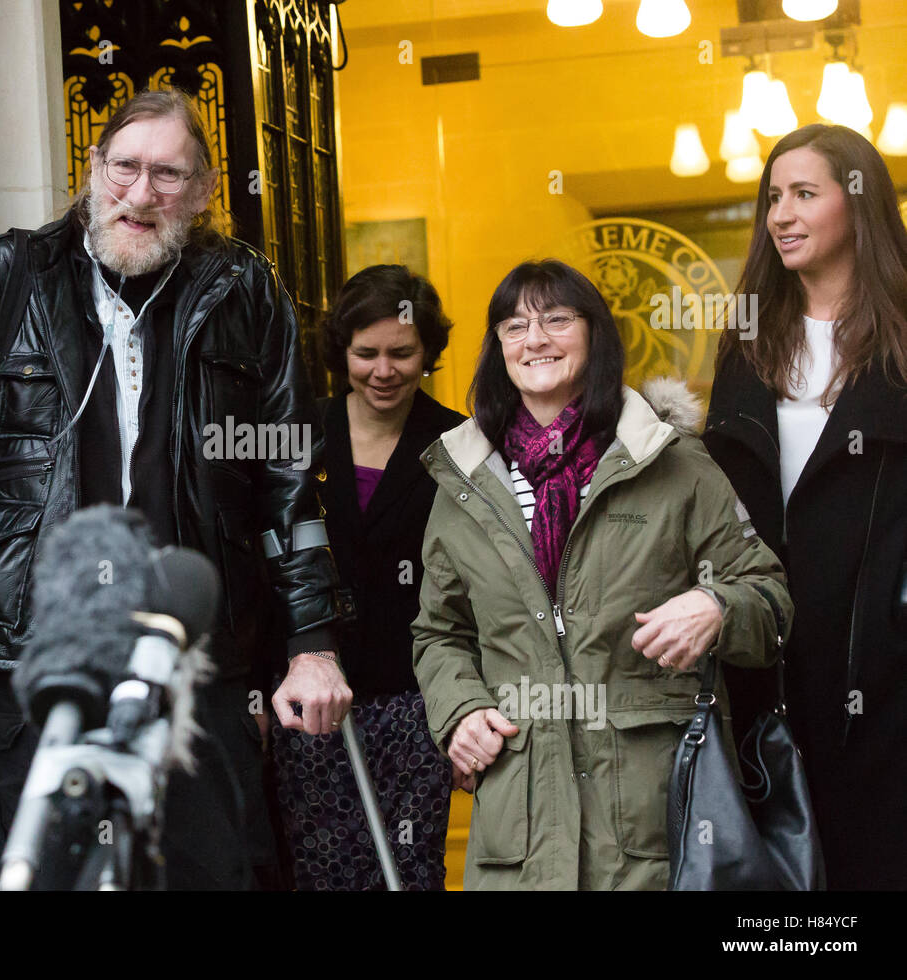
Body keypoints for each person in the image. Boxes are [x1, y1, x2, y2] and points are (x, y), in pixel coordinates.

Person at [0, 87, 349, 889]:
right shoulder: (6, 275)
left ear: (206, 189)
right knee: (60, 872)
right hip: (34, 648)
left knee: (209, 870)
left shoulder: (244, 290)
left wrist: (311, 643)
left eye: (168, 175)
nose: (142, 194)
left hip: (198, 645)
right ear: (93, 168)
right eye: (125, 168)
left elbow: (288, 476)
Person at [411, 259, 792, 890]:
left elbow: (770, 599)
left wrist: (717, 608)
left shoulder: (673, 464)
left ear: (595, 336)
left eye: (556, 320)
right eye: (514, 326)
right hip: (521, 835)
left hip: (654, 831)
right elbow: (439, 633)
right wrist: (462, 711)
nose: (534, 340)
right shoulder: (464, 482)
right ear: (497, 348)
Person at [703, 124, 907, 890]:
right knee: (779, 871)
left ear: (858, 204)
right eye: (772, 198)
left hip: (882, 660)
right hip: (768, 655)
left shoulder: (901, 337)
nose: (780, 215)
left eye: (804, 194)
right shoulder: (749, 341)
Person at [271, 265, 462, 890]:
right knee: (323, 869)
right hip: (310, 701)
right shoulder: (300, 434)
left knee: (407, 870)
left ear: (427, 352)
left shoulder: (461, 442)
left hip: (416, 704)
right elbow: (266, 563)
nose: (384, 370)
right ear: (341, 352)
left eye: (402, 353)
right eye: (366, 353)